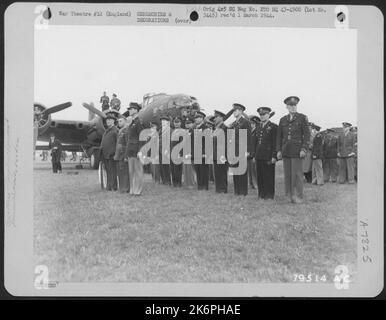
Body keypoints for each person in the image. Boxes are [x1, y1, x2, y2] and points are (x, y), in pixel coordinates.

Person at [276, 96, 310, 203]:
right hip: (286, 151)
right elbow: (279, 137)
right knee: (288, 175)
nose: (293, 107)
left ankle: (298, 196)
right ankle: (289, 195)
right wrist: (278, 150)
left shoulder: (302, 118)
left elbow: (307, 135)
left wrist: (304, 149)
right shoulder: (282, 120)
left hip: (297, 151)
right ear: (287, 106)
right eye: (290, 105)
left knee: (297, 175)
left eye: (294, 105)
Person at [251, 107, 278, 199]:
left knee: (269, 176)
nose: (262, 116)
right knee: (260, 176)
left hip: (269, 156)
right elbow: (255, 142)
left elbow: (275, 142)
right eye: (261, 115)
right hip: (259, 155)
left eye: (264, 114)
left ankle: (269, 195)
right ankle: (261, 194)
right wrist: (254, 155)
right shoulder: (258, 126)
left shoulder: (274, 127)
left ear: (268, 115)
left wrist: (274, 156)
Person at [228, 103, 251, 196]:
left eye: (236, 110)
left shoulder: (245, 122)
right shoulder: (234, 123)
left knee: (242, 172)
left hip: (242, 149)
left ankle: (243, 191)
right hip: (233, 150)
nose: (234, 112)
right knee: (235, 171)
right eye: (233, 110)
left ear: (241, 111)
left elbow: (249, 137)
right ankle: (237, 191)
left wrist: (248, 150)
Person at [125, 103, 144, 195]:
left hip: (136, 149)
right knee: (131, 171)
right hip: (131, 150)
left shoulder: (138, 122)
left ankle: (138, 190)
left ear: (136, 110)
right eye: (129, 109)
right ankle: (132, 190)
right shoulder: (132, 123)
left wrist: (140, 150)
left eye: (131, 109)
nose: (129, 110)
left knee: (138, 171)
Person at [100, 112, 118, 191]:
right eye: (107, 120)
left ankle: (113, 187)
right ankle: (109, 186)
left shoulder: (115, 130)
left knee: (113, 171)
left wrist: (115, 153)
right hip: (105, 155)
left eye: (110, 120)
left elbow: (118, 143)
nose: (108, 121)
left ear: (114, 121)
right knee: (108, 171)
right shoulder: (106, 131)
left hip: (112, 155)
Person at [193, 111, 210, 190]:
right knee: (198, 169)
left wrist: (205, 152)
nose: (196, 119)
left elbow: (207, 142)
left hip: (203, 153)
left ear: (202, 119)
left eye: (197, 118)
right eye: (195, 118)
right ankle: (199, 185)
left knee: (204, 170)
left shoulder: (205, 128)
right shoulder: (195, 128)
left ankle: (205, 185)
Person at [212, 110, 228, 193]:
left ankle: (223, 189)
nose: (214, 119)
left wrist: (224, 155)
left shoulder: (224, 128)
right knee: (217, 173)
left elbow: (226, 143)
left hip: (221, 155)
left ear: (221, 118)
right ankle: (218, 188)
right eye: (214, 117)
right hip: (215, 154)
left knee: (222, 172)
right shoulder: (216, 129)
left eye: (216, 117)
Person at [114, 115, 130, 193]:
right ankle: (122, 188)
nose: (119, 123)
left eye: (121, 121)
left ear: (125, 121)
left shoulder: (126, 130)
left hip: (123, 154)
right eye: (118, 121)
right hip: (119, 155)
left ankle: (126, 188)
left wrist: (126, 156)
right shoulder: (120, 130)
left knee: (125, 172)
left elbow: (127, 144)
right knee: (120, 172)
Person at [182, 117, 196, 189]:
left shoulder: (194, 132)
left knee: (190, 169)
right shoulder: (185, 132)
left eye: (189, 123)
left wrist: (191, 153)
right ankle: (186, 182)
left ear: (192, 124)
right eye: (186, 123)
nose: (187, 125)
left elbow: (195, 144)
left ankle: (191, 183)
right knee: (185, 169)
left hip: (190, 153)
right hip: (185, 152)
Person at [170, 117, 184, 187]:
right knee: (173, 168)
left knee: (178, 168)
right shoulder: (172, 131)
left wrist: (180, 153)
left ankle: (178, 183)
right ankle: (174, 182)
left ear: (180, 123)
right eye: (175, 122)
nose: (176, 124)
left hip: (178, 153)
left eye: (178, 122)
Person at [159, 116, 172, 185]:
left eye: (164, 121)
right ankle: (164, 180)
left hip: (166, 149)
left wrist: (167, 150)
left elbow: (169, 141)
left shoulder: (169, 130)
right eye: (161, 121)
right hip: (160, 149)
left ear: (168, 122)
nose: (162, 122)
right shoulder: (160, 129)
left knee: (166, 166)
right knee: (161, 166)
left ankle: (168, 180)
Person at [248, 116, 259, 190]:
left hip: (254, 154)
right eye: (250, 123)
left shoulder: (257, 132)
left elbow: (257, 145)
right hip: (249, 154)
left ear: (255, 124)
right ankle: (251, 183)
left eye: (252, 123)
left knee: (255, 171)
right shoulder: (250, 132)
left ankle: (256, 184)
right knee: (250, 171)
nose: (251, 125)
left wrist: (255, 155)